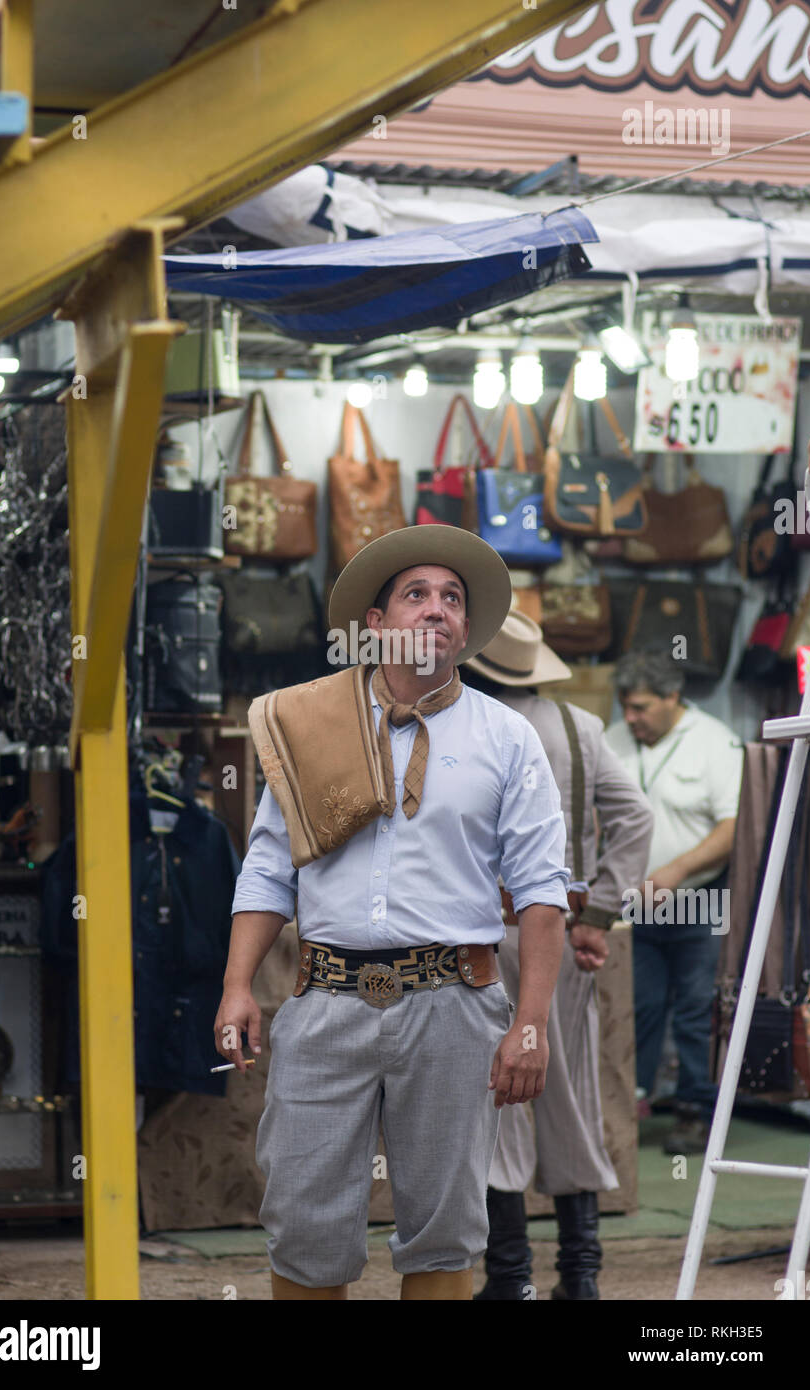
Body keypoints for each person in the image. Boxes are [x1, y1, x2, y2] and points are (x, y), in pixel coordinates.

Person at [214, 525, 571, 1300]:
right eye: (416, 594)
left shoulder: (507, 738)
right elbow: (268, 867)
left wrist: (531, 1024)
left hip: (454, 1004)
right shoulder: (309, 726)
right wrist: (238, 985)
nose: (436, 610)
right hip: (325, 1001)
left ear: (466, 632)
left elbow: (543, 892)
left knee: (444, 1229)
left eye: (451, 599)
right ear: (374, 626)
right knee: (304, 1224)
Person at [462, 610, 653, 1300]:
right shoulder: (581, 727)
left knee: (497, 1099)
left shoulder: (462, 724)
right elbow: (636, 816)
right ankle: (581, 1276)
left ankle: (508, 1279)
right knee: (568, 1099)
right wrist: (599, 912)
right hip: (565, 936)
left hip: (482, 936)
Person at [605, 651, 744, 1155]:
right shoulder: (614, 739)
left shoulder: (715, 743)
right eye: (626, 706)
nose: (631, 717)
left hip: (699, 897)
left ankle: (695, 1111)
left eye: (641, 707)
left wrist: (676, 870)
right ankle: (630, 1106)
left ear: (671, 697)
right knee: (635, 1004)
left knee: (696, 1006)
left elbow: (734, 827)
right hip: (632, 902)